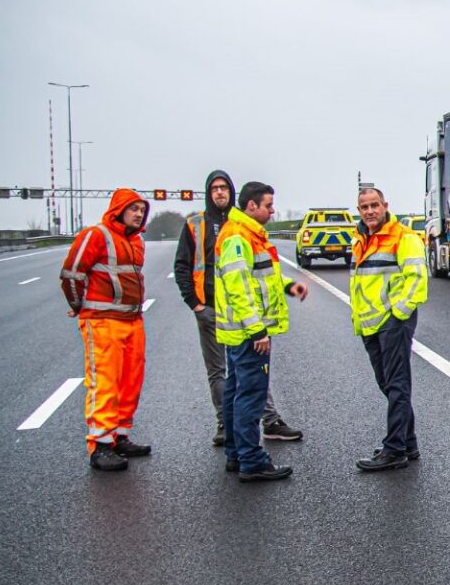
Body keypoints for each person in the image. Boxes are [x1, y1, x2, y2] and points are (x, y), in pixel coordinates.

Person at [174, 170, 304, 447]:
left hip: (239, 314)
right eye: (214, 189)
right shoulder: (201, 225)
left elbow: (259, 273)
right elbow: (185, 267)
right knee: (229, 374)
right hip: (214, 310)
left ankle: (264, 423)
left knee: (246, 375)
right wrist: (195, 304)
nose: (219, 192)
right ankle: (230, 429)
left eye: (224, 188)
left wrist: (287, 285)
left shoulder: (243, 228)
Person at [215, 181, 309, 482]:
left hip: (239, 333)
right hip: (247, 334)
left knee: (235, 393)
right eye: (268, 205)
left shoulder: (247, 235)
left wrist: (287, 287)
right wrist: (257, 332)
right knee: (250, 397)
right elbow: (239, 289)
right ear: (251, 206)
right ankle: (252, 461)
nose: (272, 210)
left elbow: (260, 279)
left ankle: (236, 453)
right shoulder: (238, 238)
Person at [60, 189, 151, 471]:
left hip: (132, 321)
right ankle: (100, 445)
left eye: (141, 210)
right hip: (102, 321)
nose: (138, 214)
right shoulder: (95, 235)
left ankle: (119, 437)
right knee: (105, 382)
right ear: (119, 209)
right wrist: (78, 306)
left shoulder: (136, 241)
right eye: (133, 208)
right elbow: (71, 274)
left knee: (130, 381)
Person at [349, 187, 429, 472]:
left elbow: (417, 280)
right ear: (358, 211)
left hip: (392, 323)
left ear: (385, 206)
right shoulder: (361, 239)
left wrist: (399, 314)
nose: (370, 211)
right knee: (387, 383)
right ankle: (408, 442)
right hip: (370, 324)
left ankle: (395, 449)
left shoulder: (403, 238)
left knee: (397, 385)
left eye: (374, 205)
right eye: (364, 207)